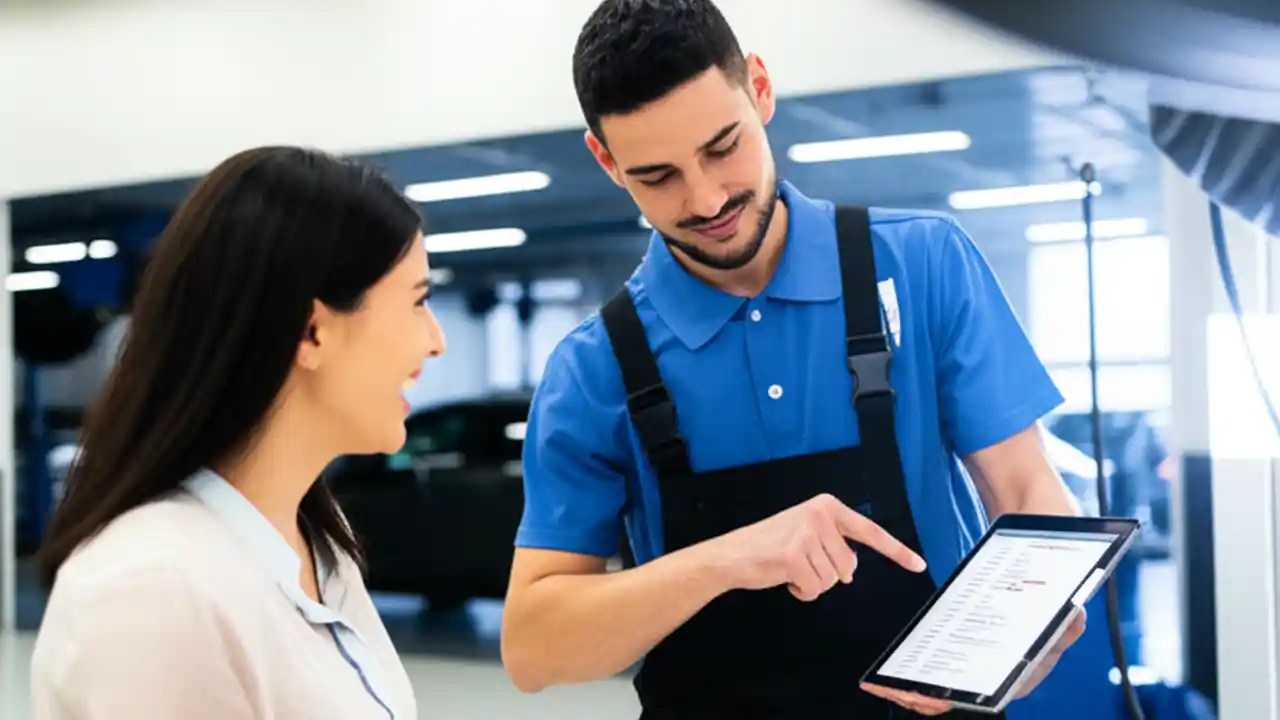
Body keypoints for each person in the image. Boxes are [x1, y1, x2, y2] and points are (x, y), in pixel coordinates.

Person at [500, 1, 1085, 717]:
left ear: (760, 88)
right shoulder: (591, 369)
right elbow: (533, 650)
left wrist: (1022, 639)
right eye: (659, 177)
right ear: (606, 160)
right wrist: (728, 558)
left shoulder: (922, 264)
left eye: (723, 148)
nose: (706, 198)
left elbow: (1028, 495)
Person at [30, 146, 445, 719]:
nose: (435, 340)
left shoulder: (315, 542)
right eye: (418, 301)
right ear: (312, 331)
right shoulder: (155, 590)